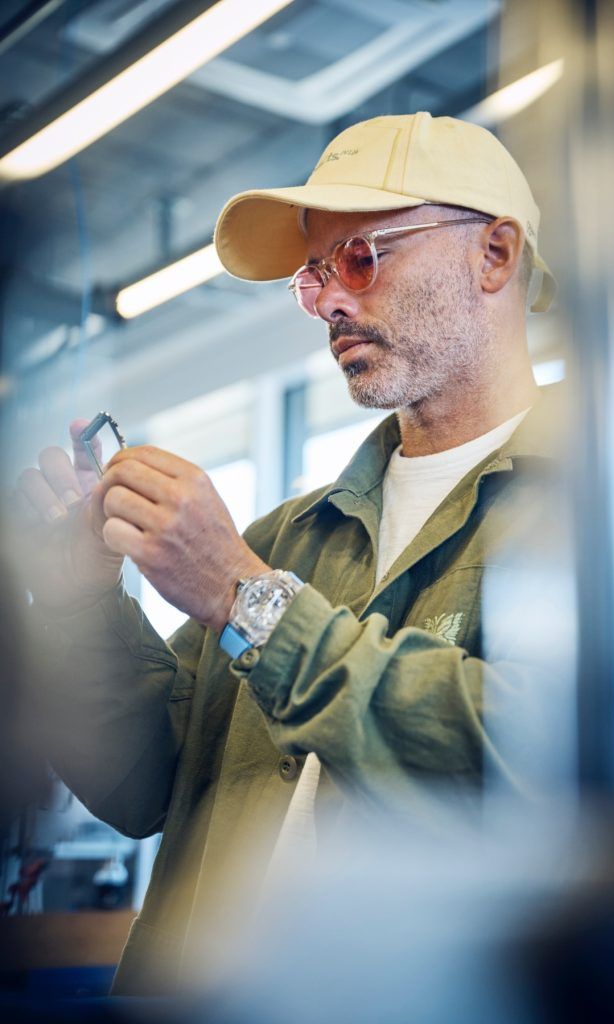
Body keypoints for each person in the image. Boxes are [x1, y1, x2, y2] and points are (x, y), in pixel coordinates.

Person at [14, 112, 571, 995]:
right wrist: (84, 601)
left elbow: (542, 763)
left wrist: (248, 602)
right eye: (316, 275)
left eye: (361, 257)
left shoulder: (608, 512)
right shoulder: (286, 538)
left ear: (493, 255)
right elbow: (141, 785)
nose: (333, 302)